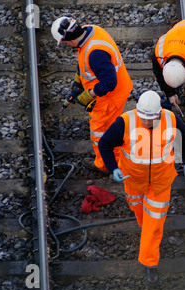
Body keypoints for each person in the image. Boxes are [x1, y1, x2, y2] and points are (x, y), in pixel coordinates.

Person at [98, 90, 185, 285]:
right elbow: (105, 144)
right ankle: (149, 238)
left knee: (154, 224)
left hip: (160, 183)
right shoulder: (125, 122)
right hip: (133, 180)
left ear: (159, 113)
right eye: (143, 118)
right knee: (139, 212)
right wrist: (113, 168)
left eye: (151, 119)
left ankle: (150, 262)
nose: (147, 122)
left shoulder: (171, 119)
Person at [51, 16, 133, 174]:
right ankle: (112, 158)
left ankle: (107, 165)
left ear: (68, 38)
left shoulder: (95, 53)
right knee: (108, 127)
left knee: (101, 131)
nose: (66, 45)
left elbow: (109, 82)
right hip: (117, 87)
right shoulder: (90, 32)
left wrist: (89, 94)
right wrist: (78, 82)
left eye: (64, 42)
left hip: (110, 96)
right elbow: (84, 61)